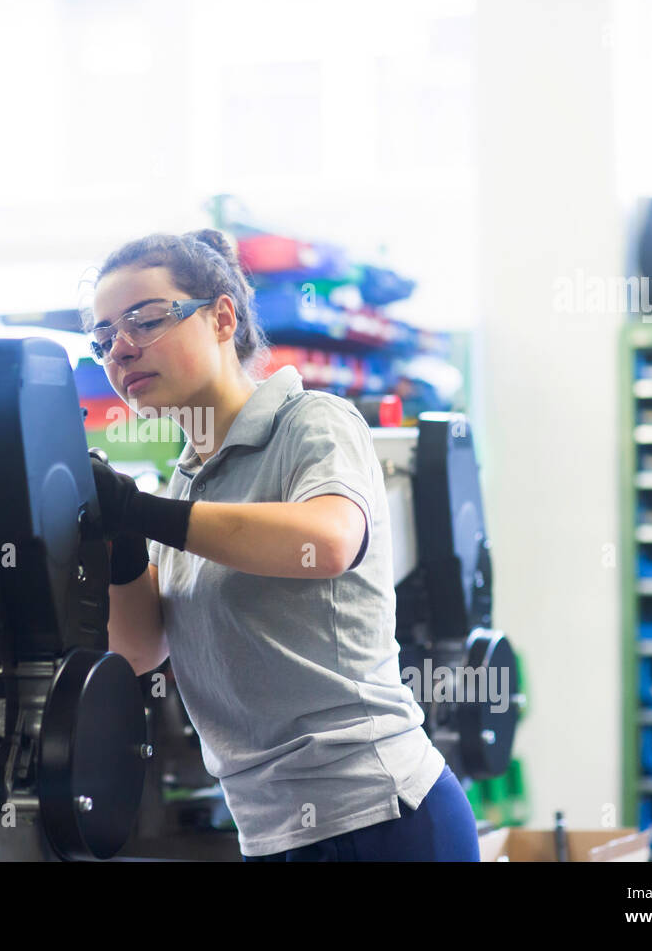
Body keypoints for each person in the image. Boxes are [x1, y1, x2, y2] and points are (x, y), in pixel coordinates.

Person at [83, 228, 480, 861]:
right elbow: (138, 651)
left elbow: (325, 543)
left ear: (221, 317)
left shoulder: (313, 423)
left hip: (379, 817)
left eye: (145, 321)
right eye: (103, 338)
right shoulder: (185, 481)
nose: (121, 351)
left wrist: (143, 511)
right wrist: (124, 536)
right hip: (271, 829)